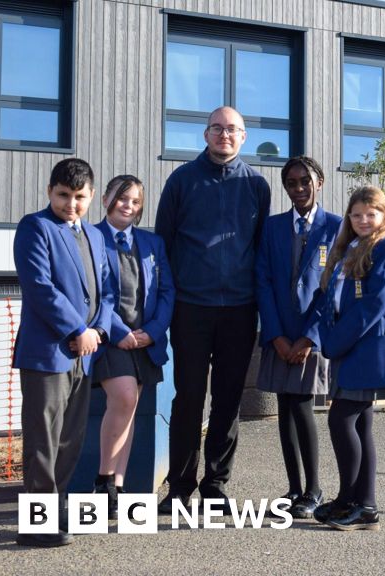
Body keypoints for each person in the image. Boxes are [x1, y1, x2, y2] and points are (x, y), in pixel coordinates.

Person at [154, 106, 271, 514]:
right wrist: (164, 305)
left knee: (227, 399)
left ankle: (216, 484)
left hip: (240, 309)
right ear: (205, 135)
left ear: (243, 138)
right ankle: (180, 486)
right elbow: (162, 245)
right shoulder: (182, 180)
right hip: (190, 307)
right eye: (218, 128)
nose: (225, 135)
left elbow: (260, 250)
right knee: (187, 397)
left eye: (233, 129)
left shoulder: (257, 185)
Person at [13, 158, 113, 547]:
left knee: (71, 438)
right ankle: (35, 523)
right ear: (50, 191)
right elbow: (39, 287)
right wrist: (77, 330)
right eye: (63, 195)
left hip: (84, 354)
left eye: (80, 197)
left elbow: (105, 290)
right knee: (43, 438)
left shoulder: (95, 236)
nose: (71, 204)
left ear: (91, 196)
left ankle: (52, 512)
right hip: (47, 353)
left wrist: (98, 331)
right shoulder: (35, 227)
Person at [313, 185, 385, 531]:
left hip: (367, 349)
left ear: (384, 216)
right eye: (356, 214)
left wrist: (335, 342)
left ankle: (357, 502)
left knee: (341, 421)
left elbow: (374, 304)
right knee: (359, 424)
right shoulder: (349, 248)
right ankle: (358, 503)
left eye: (370, 214)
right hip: (350, 346)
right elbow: (332, 297)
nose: (362, 220)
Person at [254, 156, 340, 518]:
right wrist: (276, 336)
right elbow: (264, 282)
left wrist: (307, 339)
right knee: (284, 408)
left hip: (311, 337)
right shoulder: (272, 227)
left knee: (302, 405)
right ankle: (293, 489)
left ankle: (314, 490)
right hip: (279, 335)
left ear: (319, 181)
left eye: (305, 180)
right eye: (291, 182)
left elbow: (334, 287)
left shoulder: (336, 227)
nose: (299, 188)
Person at [90, 175, 175, 517]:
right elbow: (92, 292)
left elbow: (167, 291)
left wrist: (152, 332)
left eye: (136, 201)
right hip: (110, 339)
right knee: (123, 398)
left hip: (145, 342)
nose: (128, 205)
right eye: (122, 198)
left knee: (130, 408)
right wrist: (119, 331)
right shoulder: (90, 238)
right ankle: (102, 480)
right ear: (106, 199)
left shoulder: (153, 243)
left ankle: (118, 487)